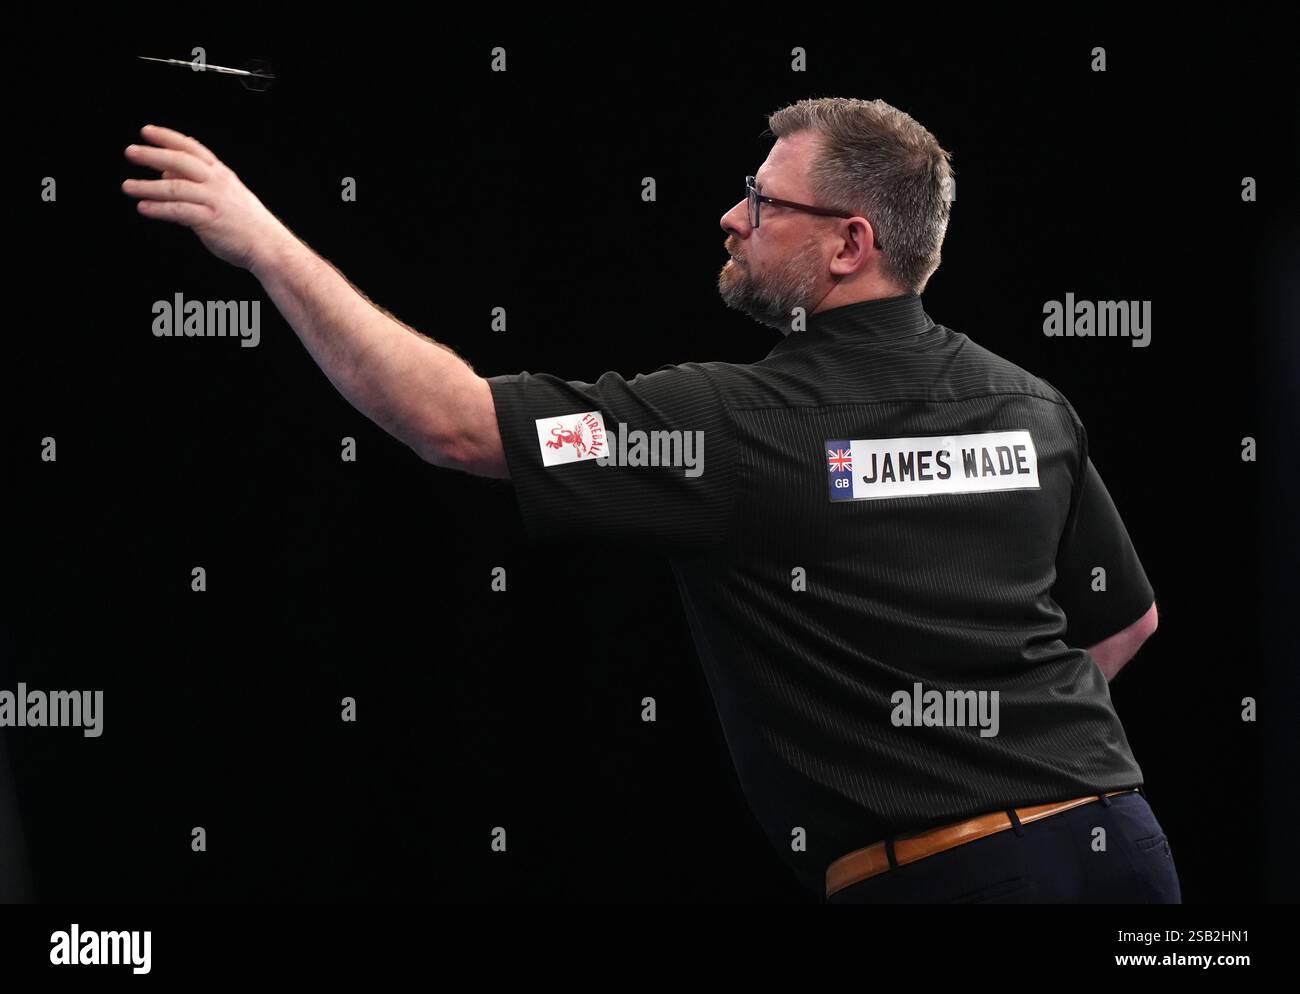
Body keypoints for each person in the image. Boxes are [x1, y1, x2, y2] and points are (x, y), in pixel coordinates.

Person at [120, 96, 1180, 903]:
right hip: (1126, 848)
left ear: (850, 244)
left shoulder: (732, 424)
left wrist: (265, 245)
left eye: (764, 201)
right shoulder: (1031, 404)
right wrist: (1019, 772)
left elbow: (449, 419)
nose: (730, 217)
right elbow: (1127, 620)